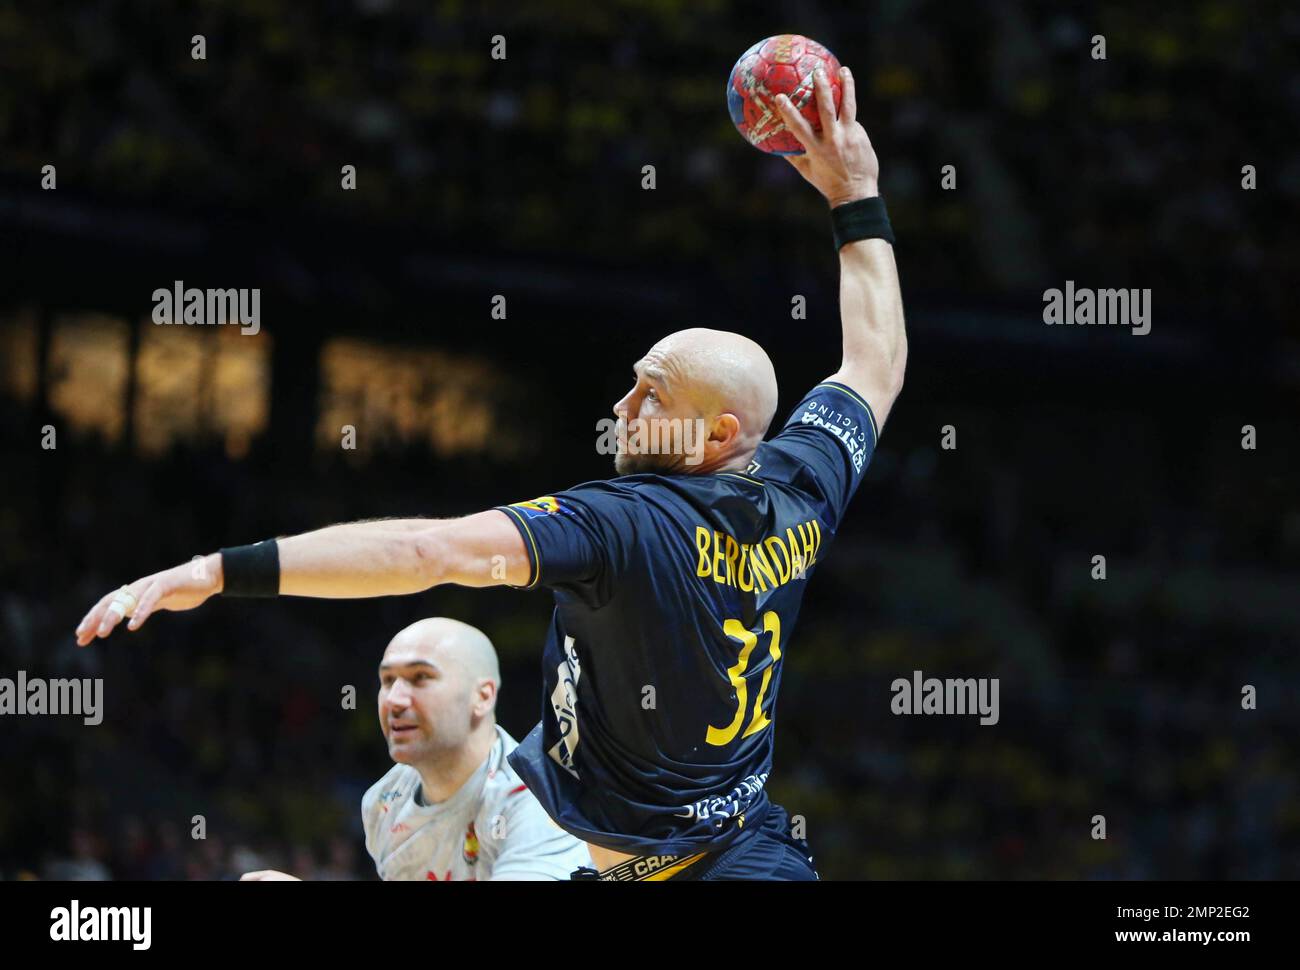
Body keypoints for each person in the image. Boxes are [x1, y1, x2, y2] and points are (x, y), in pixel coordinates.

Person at [76, 65, 906, 880]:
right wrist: (854, 194)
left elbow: (424, 553)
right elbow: (875, 366)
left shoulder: (622, 522)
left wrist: (219, 571)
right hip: (705, 850)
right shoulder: (800, 482)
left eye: (650, 395)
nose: (621, 407)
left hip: (692, 860)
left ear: (717, 432)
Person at [240, 617, 591, 881]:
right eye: (387, 681)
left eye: (421, 677)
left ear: (482, 696)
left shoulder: (541, 801)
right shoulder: (382, 803)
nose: (394, 700)